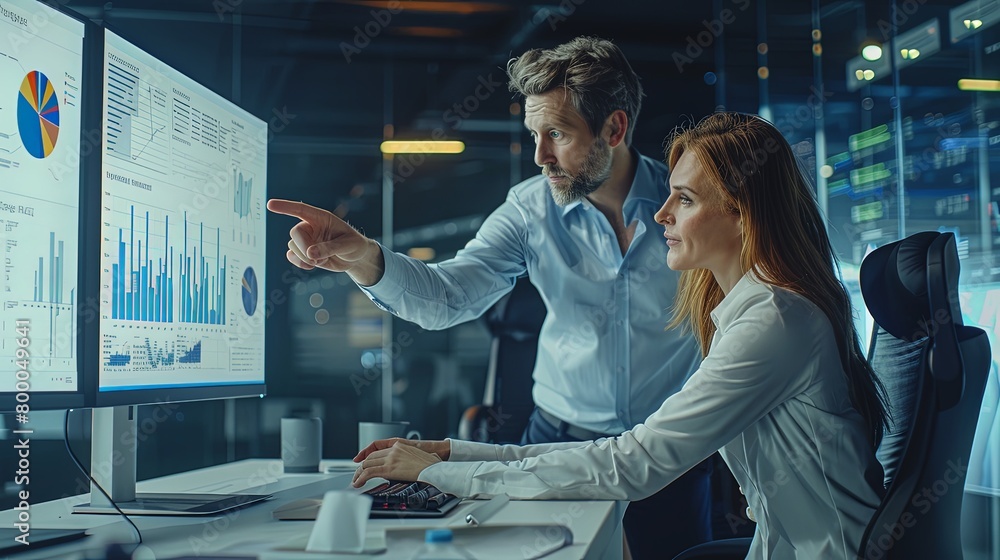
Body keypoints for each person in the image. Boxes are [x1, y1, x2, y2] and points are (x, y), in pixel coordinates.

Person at [351, 112, 891, 559]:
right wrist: (456, 455)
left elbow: (635, 462)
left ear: (742, 215)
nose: (660, 214)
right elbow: (621, 451)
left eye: (685, 200)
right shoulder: (748, 308)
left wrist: (447, 474)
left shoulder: (773, 319)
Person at [267, 37, 708, 559]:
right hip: (560, 438)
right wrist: (364, 257)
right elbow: (449, 296)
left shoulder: (692, 206)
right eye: (534, 134)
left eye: (557, 134)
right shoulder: (528, 210)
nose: (540, 155)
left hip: (669, 446)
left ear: (614, 128)